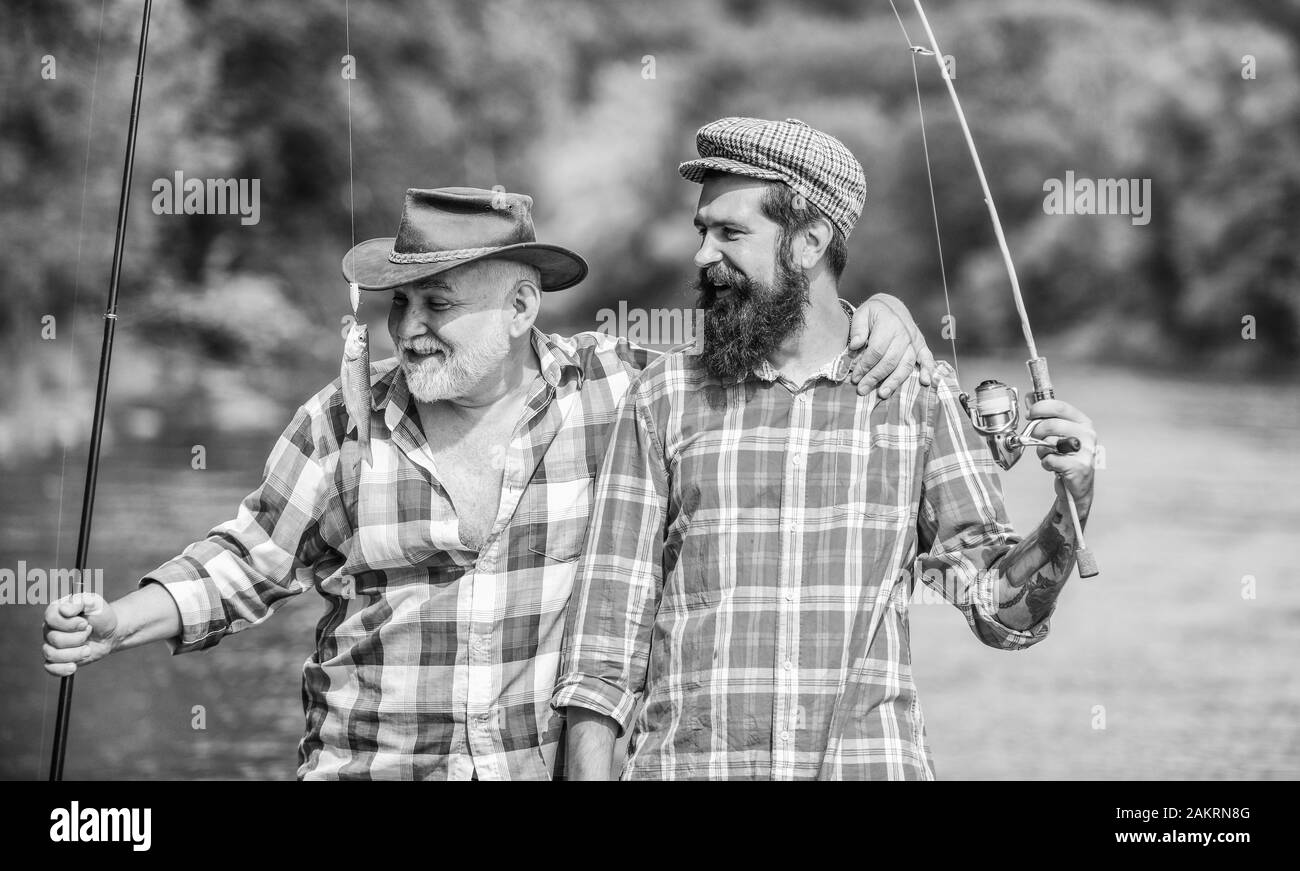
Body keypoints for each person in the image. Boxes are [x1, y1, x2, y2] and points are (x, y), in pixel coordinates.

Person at [41, 185, 935, 780]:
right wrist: (121, 620)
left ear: (519, 308)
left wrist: (881, 316)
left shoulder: (621, 390)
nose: (410, 331)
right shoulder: (345, 415)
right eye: (400, 305)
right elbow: (246, 560)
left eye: (438, 304)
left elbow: (772, 340)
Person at [556, 117, 1099, 780]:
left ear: (809, 241)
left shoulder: (917, 395)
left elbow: (998, 609)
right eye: (704, 230)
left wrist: (1072, 503)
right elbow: (603, 649)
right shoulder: (661, 396)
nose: (702, 254)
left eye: (731, 232)